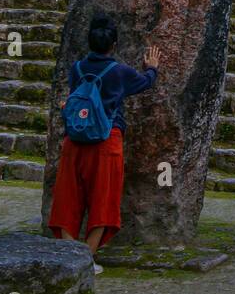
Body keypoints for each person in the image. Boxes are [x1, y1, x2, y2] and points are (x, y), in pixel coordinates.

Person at [49, 15, 159, 271]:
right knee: (103, 200)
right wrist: (152, 67)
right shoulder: (119, 72)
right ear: (115, 44)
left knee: (67, 197)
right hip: (106, 142)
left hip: (75, 140)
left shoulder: (76, 69)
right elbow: (145, 83)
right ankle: (85, 259)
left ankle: (69, 257)